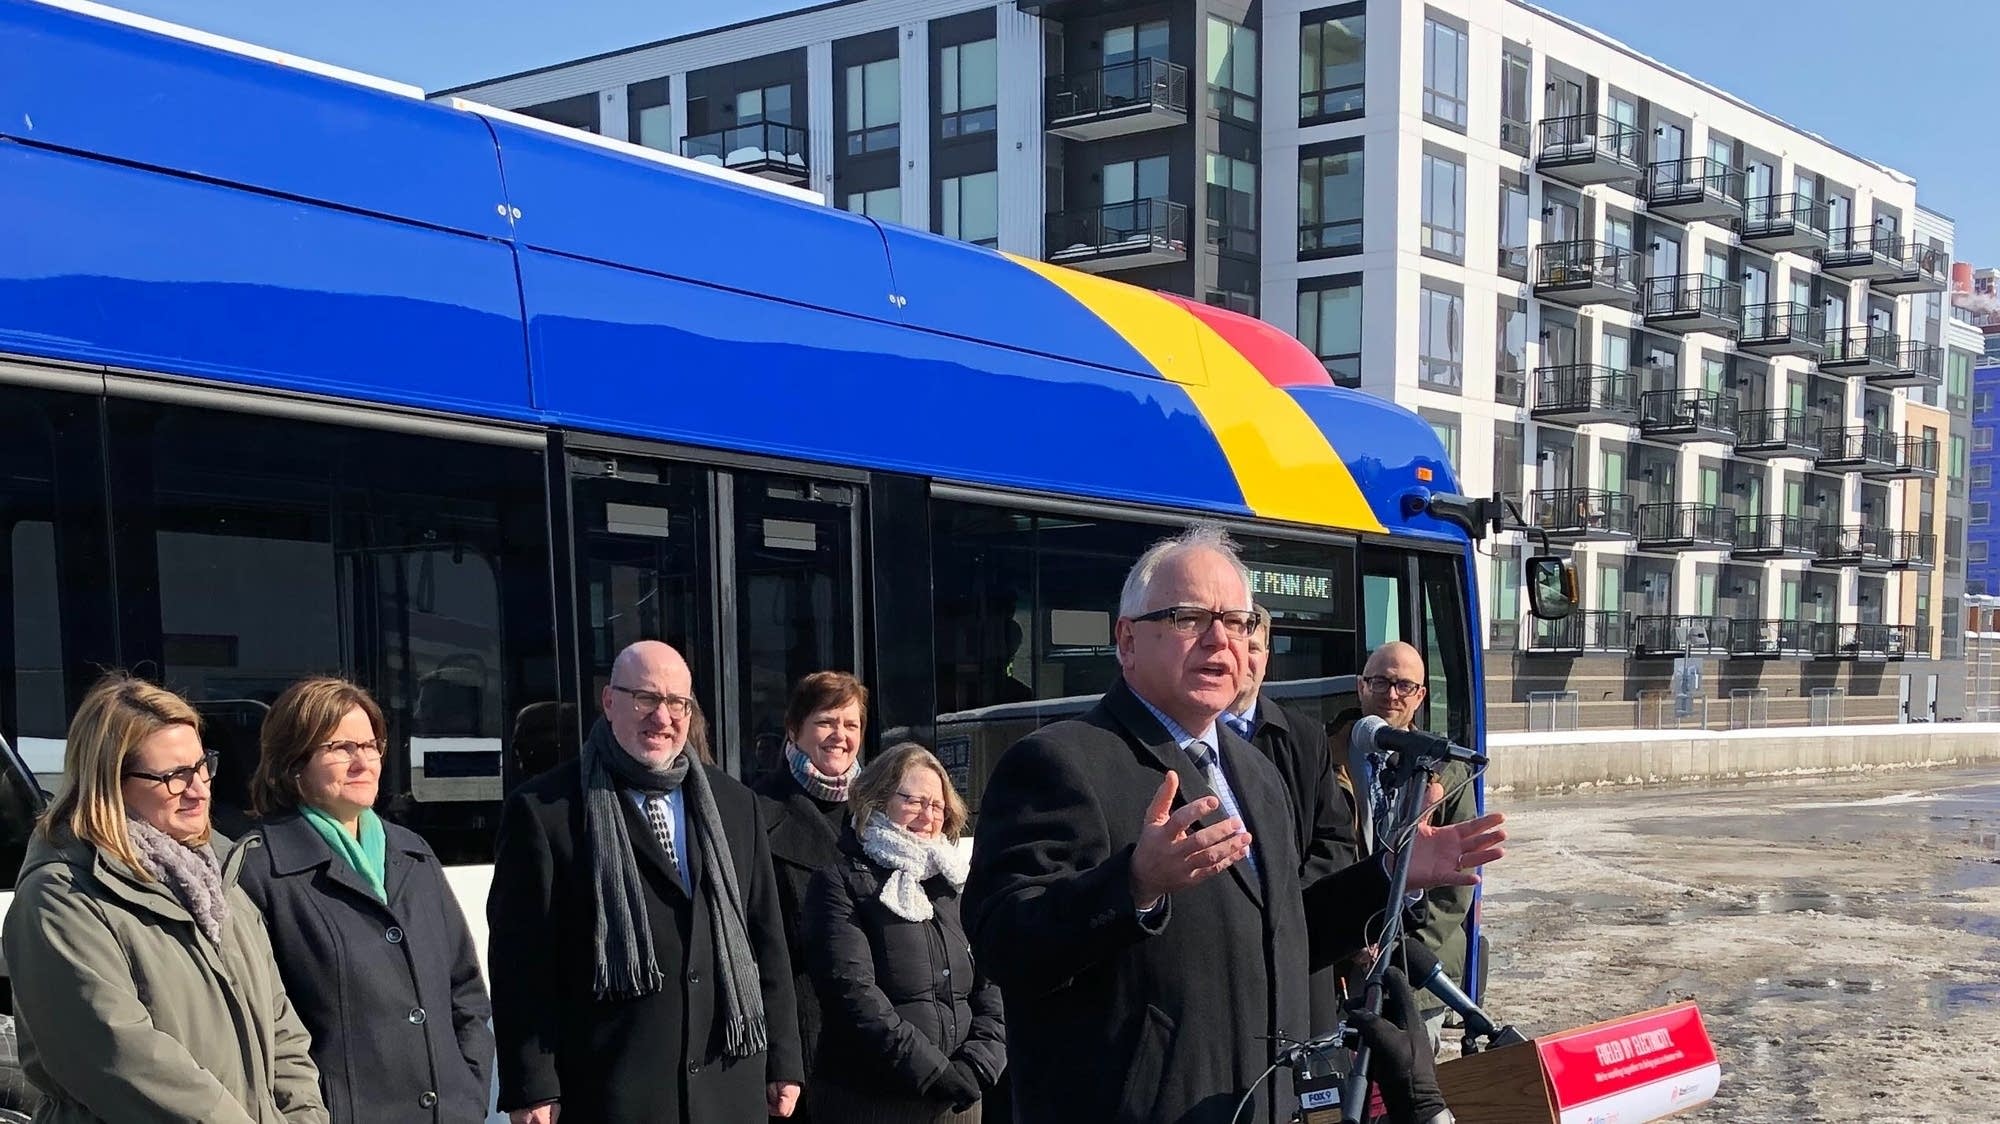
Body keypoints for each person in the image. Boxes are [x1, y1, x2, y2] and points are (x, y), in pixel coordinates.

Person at [964, 526, 1505, 1124]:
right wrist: (1134, 884)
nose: (1220, 641)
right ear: (1126, 640)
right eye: (1189, 618)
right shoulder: (1057, 762)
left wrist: (1389, 875)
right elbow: (1001, 944)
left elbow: (1285, 936)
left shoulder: (1251, 768)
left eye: (1238, 621)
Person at [488, 640, 803, 1124]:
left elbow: (767, 939)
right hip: (612, 1089)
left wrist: (784, 1060)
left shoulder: (736, 805)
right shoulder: (545, 811)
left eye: (677, 703)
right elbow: (520, 964)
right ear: (609, 702)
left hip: (727, 1085)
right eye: (646, 699)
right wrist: (532, 1085)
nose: (663, 717)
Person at [2, 673, 326, 1123]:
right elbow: (120, 1060)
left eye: (200, 766)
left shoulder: (219, 878)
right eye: (173, 776)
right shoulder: (61, 898)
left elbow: (283, 1034)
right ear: (110, 781)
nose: (198, 789)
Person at [235, 677, 493, 1123]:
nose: (363, 763)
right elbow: (260, 1032)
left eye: (371, 745)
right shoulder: (259, 872)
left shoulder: (412, 852)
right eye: (340, 748)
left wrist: (467, 1090)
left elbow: (464, 988)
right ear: (293, 762)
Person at [802, 742, 1005, 1122]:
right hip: (872, 1100)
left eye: (937, 806)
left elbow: (991, 983)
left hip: (957, 1101)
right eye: (913, 800)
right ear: (877, 800)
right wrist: (934, 1072)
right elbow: (852, 992)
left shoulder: (956, 884)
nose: (927, 815)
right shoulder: (840, 883)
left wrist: (980, 1062)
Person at [1222, 610, 1361, 1035]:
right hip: (1223, 961)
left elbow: (1337, 841)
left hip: (1300, 961)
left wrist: (1284, 907)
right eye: (1236, 646)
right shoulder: (1183, 738)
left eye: (1255, 648)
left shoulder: (1304, 737)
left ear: (1268, 658)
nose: (1244, 658)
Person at [751, 670, 869, 1118]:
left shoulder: (883, 812)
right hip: (805, 1048)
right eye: (826, 721)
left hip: (882, 1045)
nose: (840, 735)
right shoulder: (757, 813)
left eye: (851, 724)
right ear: (794, 729)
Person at [1356, 641, 1479, 1045]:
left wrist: (1404, 955)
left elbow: (1454, 888)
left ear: (1421, 695)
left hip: (1417, 977)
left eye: (1404, 686)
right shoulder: (1326, 759)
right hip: (1343, 969)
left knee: (1412, 1091)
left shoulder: (1448, 770)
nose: (1391, 694)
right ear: (1361, 687)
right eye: (1380, 682)